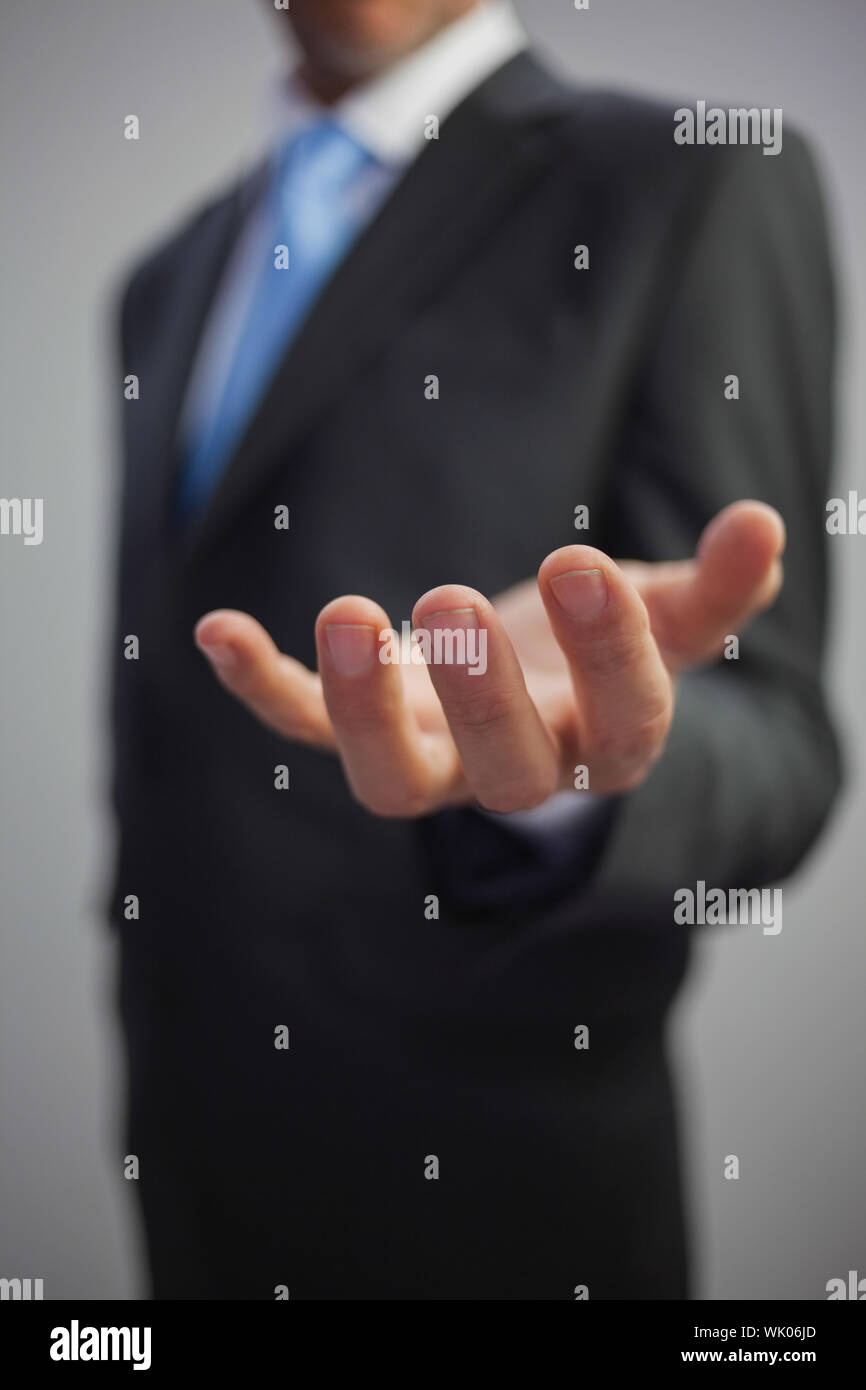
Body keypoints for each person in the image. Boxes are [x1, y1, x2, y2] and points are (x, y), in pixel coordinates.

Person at [111, 0, 841, 1298]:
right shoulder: (169, 276)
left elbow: (775, 745)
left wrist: (566, 773)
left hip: (497, 1195)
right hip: (192, 1160)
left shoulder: (687, 175)